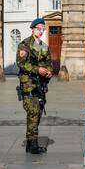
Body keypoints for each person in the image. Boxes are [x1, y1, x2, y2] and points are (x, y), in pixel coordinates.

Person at [17, 18, 53, 155]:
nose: (41, 31)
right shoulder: (24, 45)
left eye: (43, 29)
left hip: (41, 85)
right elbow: (21, 63)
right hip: (29, 84)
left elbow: (49, 62)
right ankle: (33, 144)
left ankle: (31, 142)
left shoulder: (43, 46)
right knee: (33, 113)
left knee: (37, 114)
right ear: (32, 29)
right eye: (38, 28)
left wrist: (49, 71)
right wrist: (37, 70)